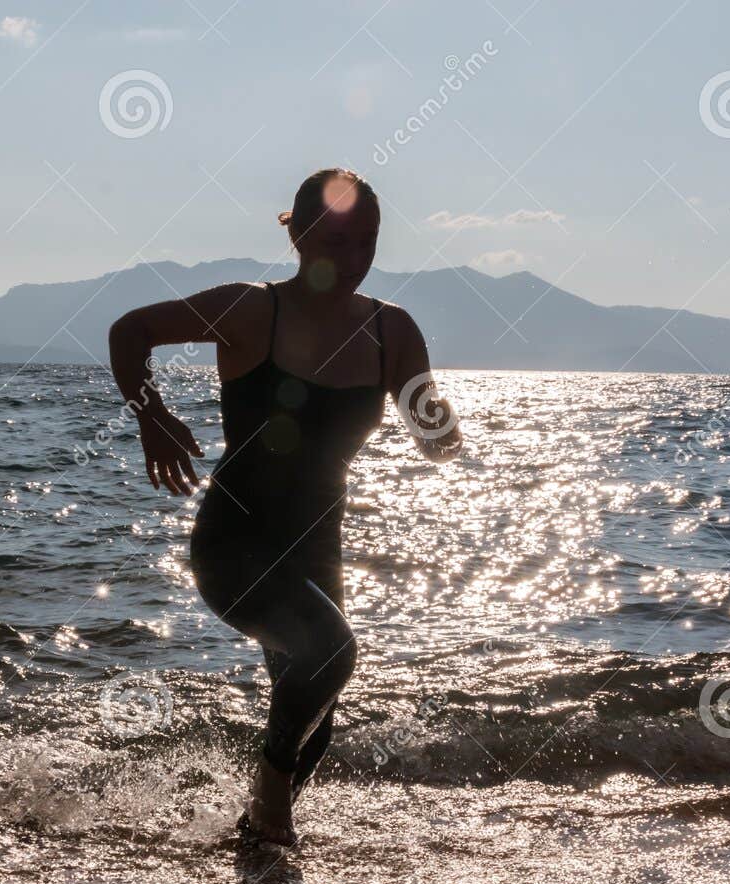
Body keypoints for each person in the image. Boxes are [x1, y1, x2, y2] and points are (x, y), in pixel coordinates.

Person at [107, 167, 464, 846]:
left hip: (315, 550)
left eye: (366, 242)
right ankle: (271, 811)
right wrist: (149, 416)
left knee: (317, 717)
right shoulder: (252, 310)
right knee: (331, 653)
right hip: (234, 546)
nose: (351, 259)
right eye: (335, 240)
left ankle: (256, 839)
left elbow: (434, 437)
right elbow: (131, 332)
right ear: (296, 234)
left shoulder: (393, 332)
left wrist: (441, 429)